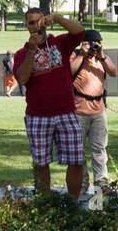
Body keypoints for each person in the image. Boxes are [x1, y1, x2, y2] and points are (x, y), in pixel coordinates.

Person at [15, 10, 87, 199]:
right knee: (41, 163)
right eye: (31, 23)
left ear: (45, 23)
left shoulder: (60, 43)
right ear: (26, 26)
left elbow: (80, 33)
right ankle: (45, 204)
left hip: (66, 112)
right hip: (37, 115)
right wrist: (32, 50)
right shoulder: (21, 53)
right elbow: (22, 79)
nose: (36, 26)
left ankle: (73, 203)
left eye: (39, 22)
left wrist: (56, 18)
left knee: (77, 160)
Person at [72, 30, 118, 193]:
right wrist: (82, 55)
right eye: (91, 43)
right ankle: (81, 184)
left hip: (99, 112)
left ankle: (101, 184)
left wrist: (102, 56)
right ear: (83, 44)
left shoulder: (102, 59)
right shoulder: (76, 56)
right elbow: (69, 72)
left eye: (97, 43)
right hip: (78, 111)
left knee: (99, 150)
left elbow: (114, 72)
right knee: (78, 151)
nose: (94, 46)